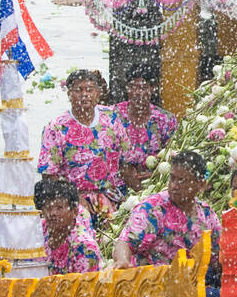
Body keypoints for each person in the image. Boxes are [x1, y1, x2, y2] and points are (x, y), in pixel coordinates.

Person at [113, 150, 222, 297]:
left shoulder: (207, 215)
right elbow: (125, 241)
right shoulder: (153, 208)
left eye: (182, 181)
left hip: (191, 283)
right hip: (158, 287)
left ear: (200, 184)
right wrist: (122, 261)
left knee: (230, 291)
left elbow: (219, 257)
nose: (174, 186)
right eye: (172, 178)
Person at [38, 69, 130, 226]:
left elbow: (126, 160)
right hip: (73, 200)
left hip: (112, 196)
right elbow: (49, 176)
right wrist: (75, 199)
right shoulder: (56, 128)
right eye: (78, 90)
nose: (84, 94)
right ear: (69, 94)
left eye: (89, 89)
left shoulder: (111, 117)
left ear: (97, 93)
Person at [114, 65, 177, 173]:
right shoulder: (112, 116)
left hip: (153, 182)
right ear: (127, 88)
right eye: (133, 87)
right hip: (117, 183)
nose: (138, 92)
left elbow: (173, 155)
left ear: (152, 89)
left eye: (143, 87)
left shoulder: (166, 120)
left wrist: (153, 174)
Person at [34, 177, 102, 276]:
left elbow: (87, 288)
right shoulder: (38, 230)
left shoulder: (85, 247)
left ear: (74, 212)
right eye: (48, 207)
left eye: (59, 208)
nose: (52, 213)